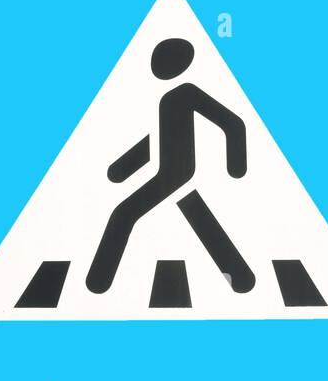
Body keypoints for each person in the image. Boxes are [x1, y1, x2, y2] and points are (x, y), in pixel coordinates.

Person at [86, 37, 255, 295]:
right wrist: (122, 169)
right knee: (199, 218)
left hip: (178, 173)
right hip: (172, 173)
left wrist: (236, 166)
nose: (156, 67)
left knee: (123, 214)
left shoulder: (187, 92)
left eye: (161, 60)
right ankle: (242, 278)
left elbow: (232, 124)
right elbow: (156, 140)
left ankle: (98, 282)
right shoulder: (168, 98)